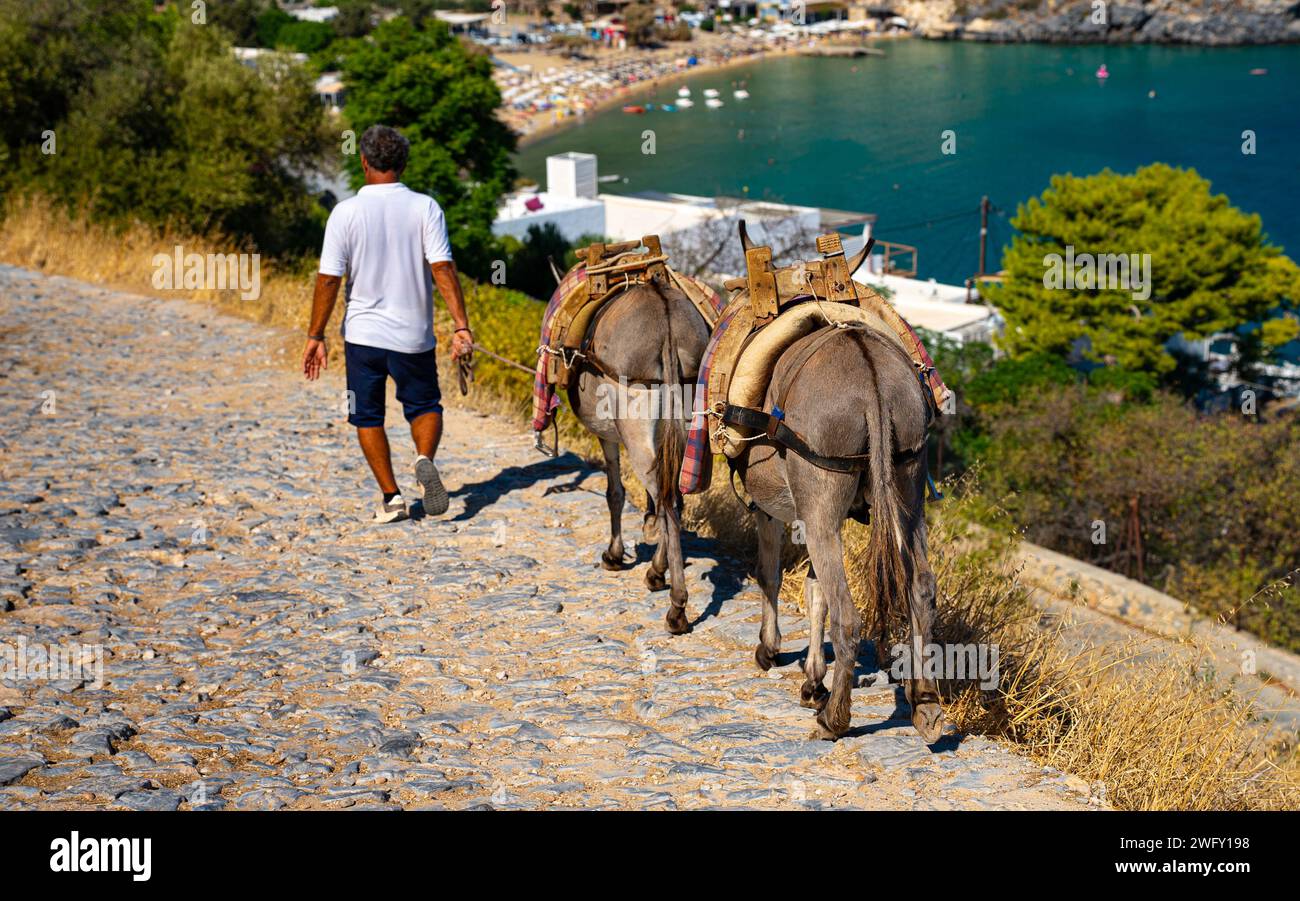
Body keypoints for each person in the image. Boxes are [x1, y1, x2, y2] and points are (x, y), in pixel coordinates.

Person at [301, 125, 473, 523]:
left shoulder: (344, 212)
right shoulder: (425, 207)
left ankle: (392, 498)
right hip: (413, 334)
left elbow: (329, 278)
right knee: (425, 405)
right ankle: (424, 458)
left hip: (363, 335)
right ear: (403, 163)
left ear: (363, 162)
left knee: (367, 415)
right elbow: (442, 268)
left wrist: (316, 334)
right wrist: (461, 325)